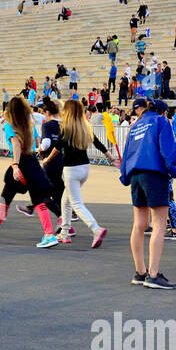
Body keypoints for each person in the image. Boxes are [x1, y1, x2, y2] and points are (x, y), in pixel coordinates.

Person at [118, 98, 176, 288]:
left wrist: (125, 176)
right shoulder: (161, 121)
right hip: (154, 174)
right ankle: (153, 275)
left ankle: (140, 272)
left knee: (138, 225)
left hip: (136, 174)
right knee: (159, 225)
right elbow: (167, 149)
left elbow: (127, 152)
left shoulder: (136, 125)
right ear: (163, 112)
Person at [0, 96, 57, 247]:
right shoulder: (29, 124)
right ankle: (49, 234)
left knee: (5, 199)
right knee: (38, 200)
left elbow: (16, 146)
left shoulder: (10, 125)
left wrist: (15, 165)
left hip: (21, 162)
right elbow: (37, 142)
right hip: (33, 162)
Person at [48, 98, 112, 247]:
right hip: (85, 168)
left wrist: (46, 160)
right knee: (66, 201)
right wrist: (110, 157)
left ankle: (96, 229)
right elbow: (97, 143)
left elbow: (57, 147)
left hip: (72, 170)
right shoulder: (85, 126)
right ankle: (64, 232)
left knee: (76, 203)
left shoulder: (67, 128)